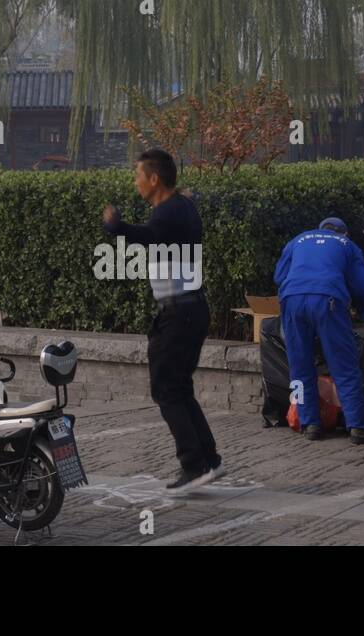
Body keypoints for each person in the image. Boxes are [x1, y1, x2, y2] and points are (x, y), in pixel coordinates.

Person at [102, 149, 224, 494]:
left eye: (138, 174)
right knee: (179, 388)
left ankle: (195, 465)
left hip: (180, 312)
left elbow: (149, 236)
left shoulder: (169, 211)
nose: (135, 181)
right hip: (189, 310)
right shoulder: (178, 206)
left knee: (167, 389)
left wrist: (116, 228)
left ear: (154, 178)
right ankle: (209, 460)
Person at [274, 217, 364, 445]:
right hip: (328, 301)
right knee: (344, 366)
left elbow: (279, 277)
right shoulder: (348, 245)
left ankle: (310, 424)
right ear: (344, 233)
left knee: (300, 365)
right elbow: (362, 287)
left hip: (292, 300)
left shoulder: (297, 240)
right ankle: (358, 427)